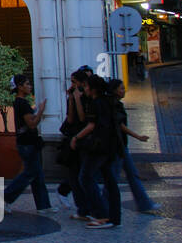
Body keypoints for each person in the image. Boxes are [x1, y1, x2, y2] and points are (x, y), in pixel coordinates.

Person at [68, 74, 121, 229]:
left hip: (98, 146)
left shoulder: (95, 103)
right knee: (110, 180)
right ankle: (113, 217)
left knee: (85, 176)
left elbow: (91, 125)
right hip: (110, 146)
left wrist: (75, 138)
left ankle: (101, 214)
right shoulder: (108, 101)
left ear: (92, 88)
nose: (84, 89)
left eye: (86, 86)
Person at [3, 74, 52, 213]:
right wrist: (41, 111)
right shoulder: (22, 103)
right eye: (27, 83)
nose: (30, 86)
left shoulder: (20, 102)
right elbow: (31, 124)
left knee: (37, 174)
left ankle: (44, 205)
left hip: (27, 142)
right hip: (27, 143)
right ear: (19, 87)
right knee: (30, 173)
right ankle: (6, 197)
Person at [111, 78, 160, 214]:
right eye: (121, 88)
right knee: (113, 178)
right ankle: (100, 206)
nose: (123, 91)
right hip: (118, 146)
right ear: (115, 90)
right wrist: (138, 136)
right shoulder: (114, 105)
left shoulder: (116, 104)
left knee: (131, 174)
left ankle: (144, 203)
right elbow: (121, 126)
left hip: (121, 146)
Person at [56, 67, 92, 216]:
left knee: (84, 175)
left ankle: (87, 206)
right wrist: (71, 99)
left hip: (84, 138)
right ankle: (82, 207)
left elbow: (83, 118)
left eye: (74, 82)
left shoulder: (87, 97)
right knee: (75, 175)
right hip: (73, 138)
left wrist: (77, 98)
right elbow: (71, 119)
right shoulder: (73, 96)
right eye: (71, 82)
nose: (72, 84)